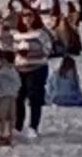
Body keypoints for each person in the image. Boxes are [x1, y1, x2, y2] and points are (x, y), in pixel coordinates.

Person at [13, 12, 53, 140]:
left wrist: (32, 52)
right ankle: (17, 125)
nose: (27, 19)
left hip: (37, 67)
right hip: (20, 68)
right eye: (24, 16)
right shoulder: (16, 34)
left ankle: (33, 126)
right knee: (19, 98)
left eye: (30, 16)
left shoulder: (41, 34)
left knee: (34, 98)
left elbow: (48, 50)